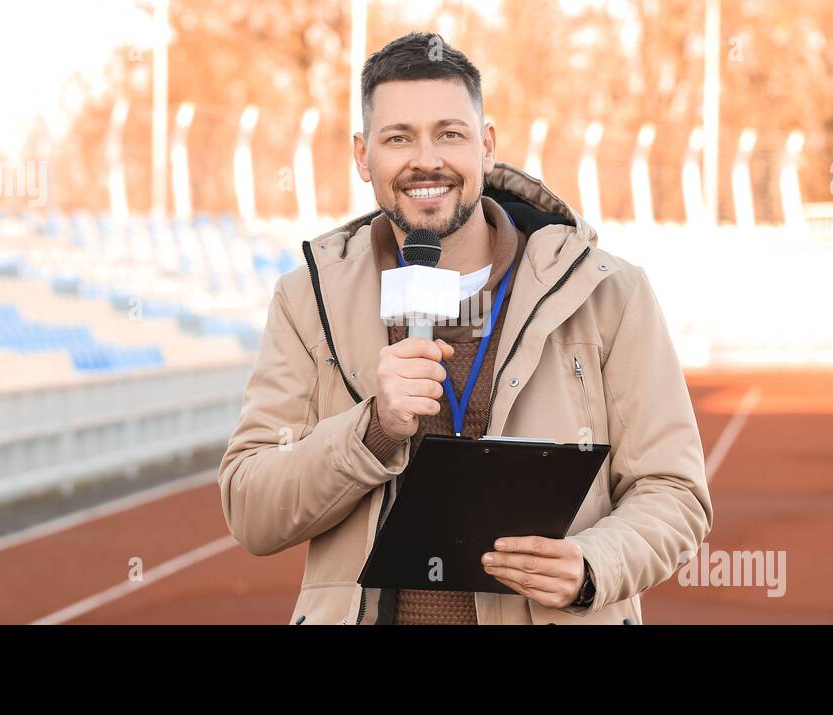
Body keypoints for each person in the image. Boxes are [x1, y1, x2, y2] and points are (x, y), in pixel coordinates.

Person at [219, 32, 711, 625]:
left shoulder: (607, 292)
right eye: (398, 138)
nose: (426, 160)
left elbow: (675, 492)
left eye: (449, 134)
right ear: (362, 155)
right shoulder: (307, 299)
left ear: (486, 146)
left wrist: (591, 565)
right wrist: (371, 431)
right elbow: (251, 507)